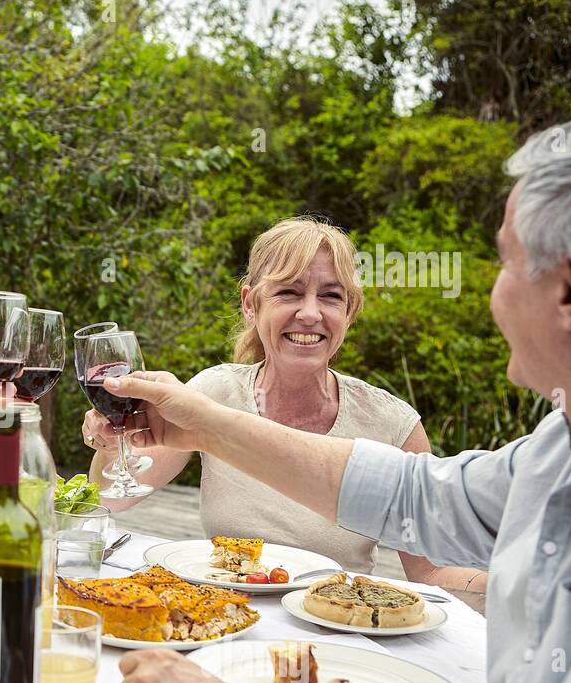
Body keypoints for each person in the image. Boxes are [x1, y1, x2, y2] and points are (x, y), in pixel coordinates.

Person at [104, 111, 571, 683]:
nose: (491, 292)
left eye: (502, 263)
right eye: (288, 292)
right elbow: (414, 495)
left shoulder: (397, 414)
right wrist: (203, 421)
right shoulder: (562, 447)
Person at [82, 216, 483, 593]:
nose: (309, 313)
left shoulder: (392, 423)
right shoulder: (212, 394)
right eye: (289, 292)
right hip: (222, 618)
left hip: (335, 627)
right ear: (250, 304)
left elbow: (432, 573)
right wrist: (111, 443)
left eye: (330, 296)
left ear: (349, 311)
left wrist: (512, 587)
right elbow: (111, 497)